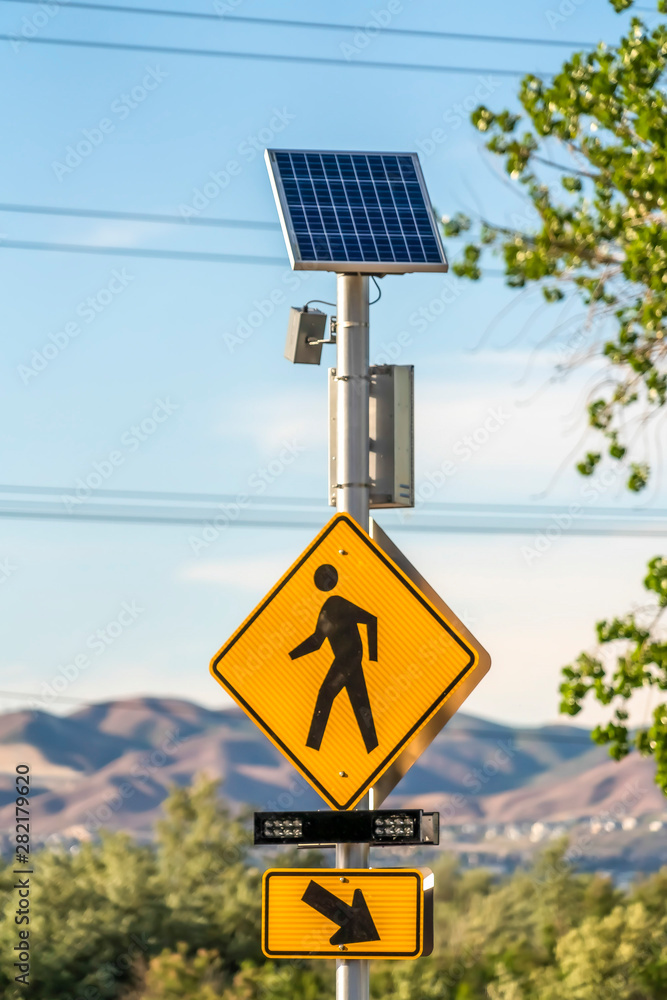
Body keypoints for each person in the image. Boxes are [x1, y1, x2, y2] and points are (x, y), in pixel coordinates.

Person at [289, 563, 378, 753]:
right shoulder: (326, 609)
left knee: (325, 694)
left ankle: (313, 746)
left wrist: (373, 657)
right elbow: (316, 641)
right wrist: (290, 656)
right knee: (361, 704)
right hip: (347, 659)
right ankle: (374, 748)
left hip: (350, 658)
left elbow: (371, 619)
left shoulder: (337, 603)